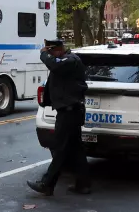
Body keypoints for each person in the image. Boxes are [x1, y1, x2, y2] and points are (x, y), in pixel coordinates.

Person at [26, 39, 91, 197]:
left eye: (52, 51)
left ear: (60, 49)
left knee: (60, 148)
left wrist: (43, 54)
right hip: (69, 111)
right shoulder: (64, 61)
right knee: (76, 149)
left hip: (70, 112)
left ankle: (47, 184)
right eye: (49, 52)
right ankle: (83, 185)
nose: (50, 54)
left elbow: (54, 65)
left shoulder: (70, 60)